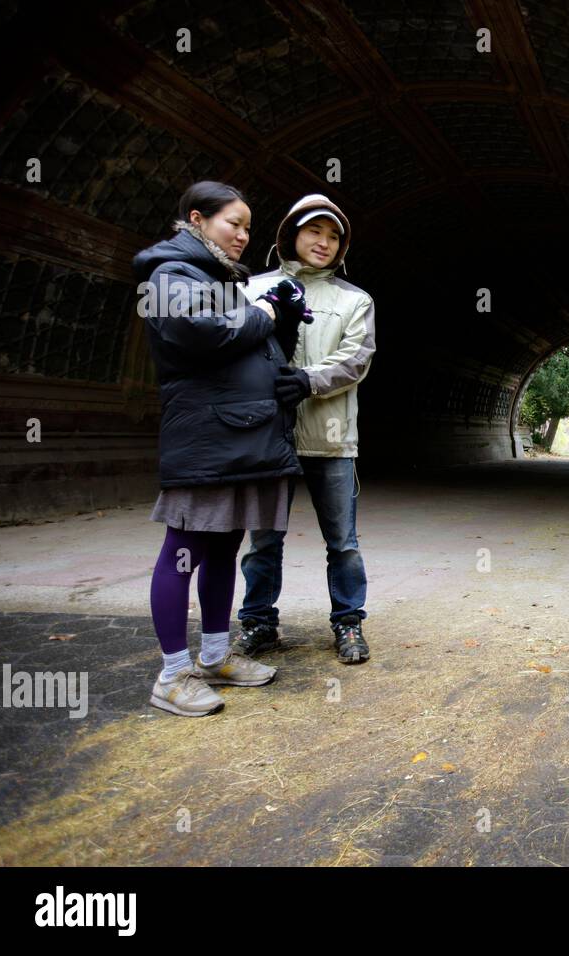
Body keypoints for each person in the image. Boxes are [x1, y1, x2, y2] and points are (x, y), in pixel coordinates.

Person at [133, 181, 314, 716]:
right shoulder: (168, 274)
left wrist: (284, 357)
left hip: (242, 438)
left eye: (248, 229)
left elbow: (242, 346)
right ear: (197, 218)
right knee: (183, 551)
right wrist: (265, 313)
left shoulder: (219, 279)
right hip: (205, 441)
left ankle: (214, 656)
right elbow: (198, 332)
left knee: (221, 549)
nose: (241, 236)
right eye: (232, 223)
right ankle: (171, 676)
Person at [237, 195, 377, 664]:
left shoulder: (354, 300)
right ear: (291, 235)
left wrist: (308, 380)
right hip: (266, 436)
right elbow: (233, 350)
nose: (324, 242)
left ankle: (348, 623)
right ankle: (258, 623)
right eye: (314, 231)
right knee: (263, 540)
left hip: (332, 438)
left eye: (334, 236)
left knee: (343, 542)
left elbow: (357, 358)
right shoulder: (252, 290)